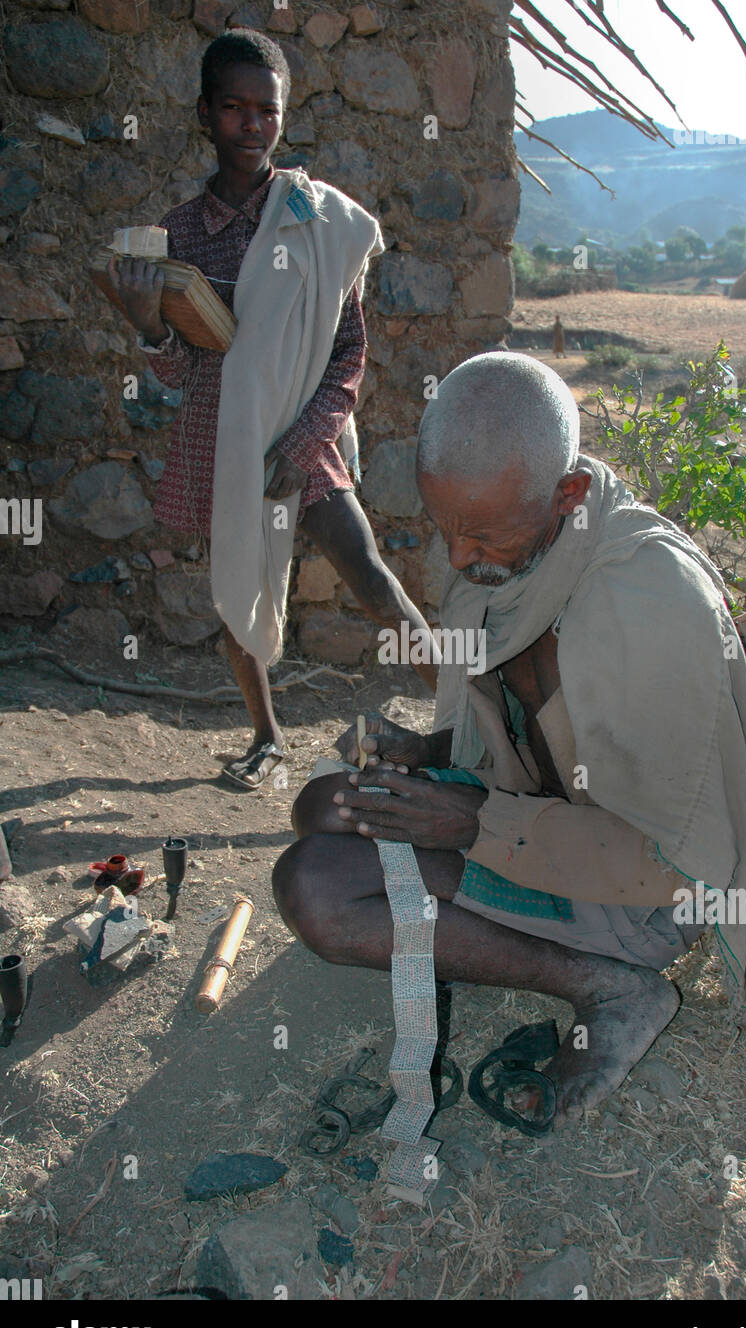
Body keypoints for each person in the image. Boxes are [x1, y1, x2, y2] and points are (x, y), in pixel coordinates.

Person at [271, 351, 746, 1126]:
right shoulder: (510, 538)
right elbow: (520, 733)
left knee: (318, 888)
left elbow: (670, 859)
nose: (462, 559)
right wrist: (428, 753)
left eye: (481, 538)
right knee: (324, 806)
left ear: (568, 494)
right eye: (447, 531)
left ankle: (606, 987)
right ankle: (457, 906)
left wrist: (469, 825)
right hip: (526, 820)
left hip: (636, 896)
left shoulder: (648, 603)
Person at [108, 29, 438, 791]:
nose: (252, 125)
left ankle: (469, 718)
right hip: (222, 433)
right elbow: (179, 370)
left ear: (283, 118)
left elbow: (349, 357)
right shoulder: (180, 233)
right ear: (204, 114)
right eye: (234, 108)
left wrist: (303, 443)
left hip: (304, 434)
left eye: (268, 110)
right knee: (237, 588)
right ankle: (267, 739)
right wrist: (148, 324)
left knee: (372, 578)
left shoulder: (318, 221)